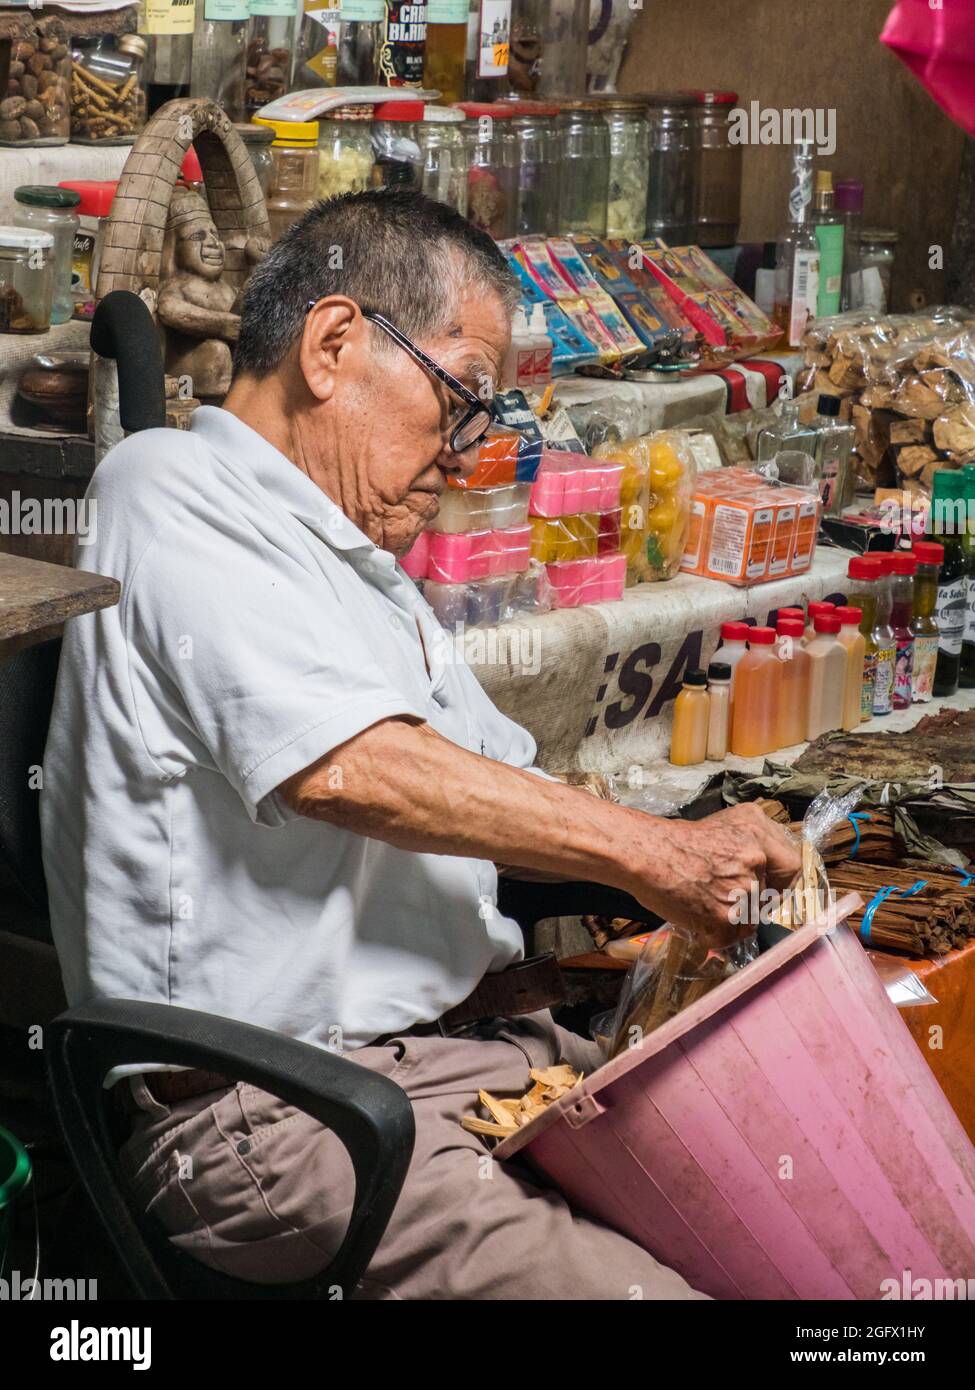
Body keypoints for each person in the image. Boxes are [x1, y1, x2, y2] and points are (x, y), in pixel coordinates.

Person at [41, 189, 799, 1300]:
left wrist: (687, 845)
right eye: (461, 395)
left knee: (785, 1231)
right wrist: (653, 857)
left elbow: (499, 785)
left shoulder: (356, 565)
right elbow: (350, 768)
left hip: (459, 1060)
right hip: (286, 1114)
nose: (467, 448)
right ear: (334, 343)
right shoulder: (168, 489)